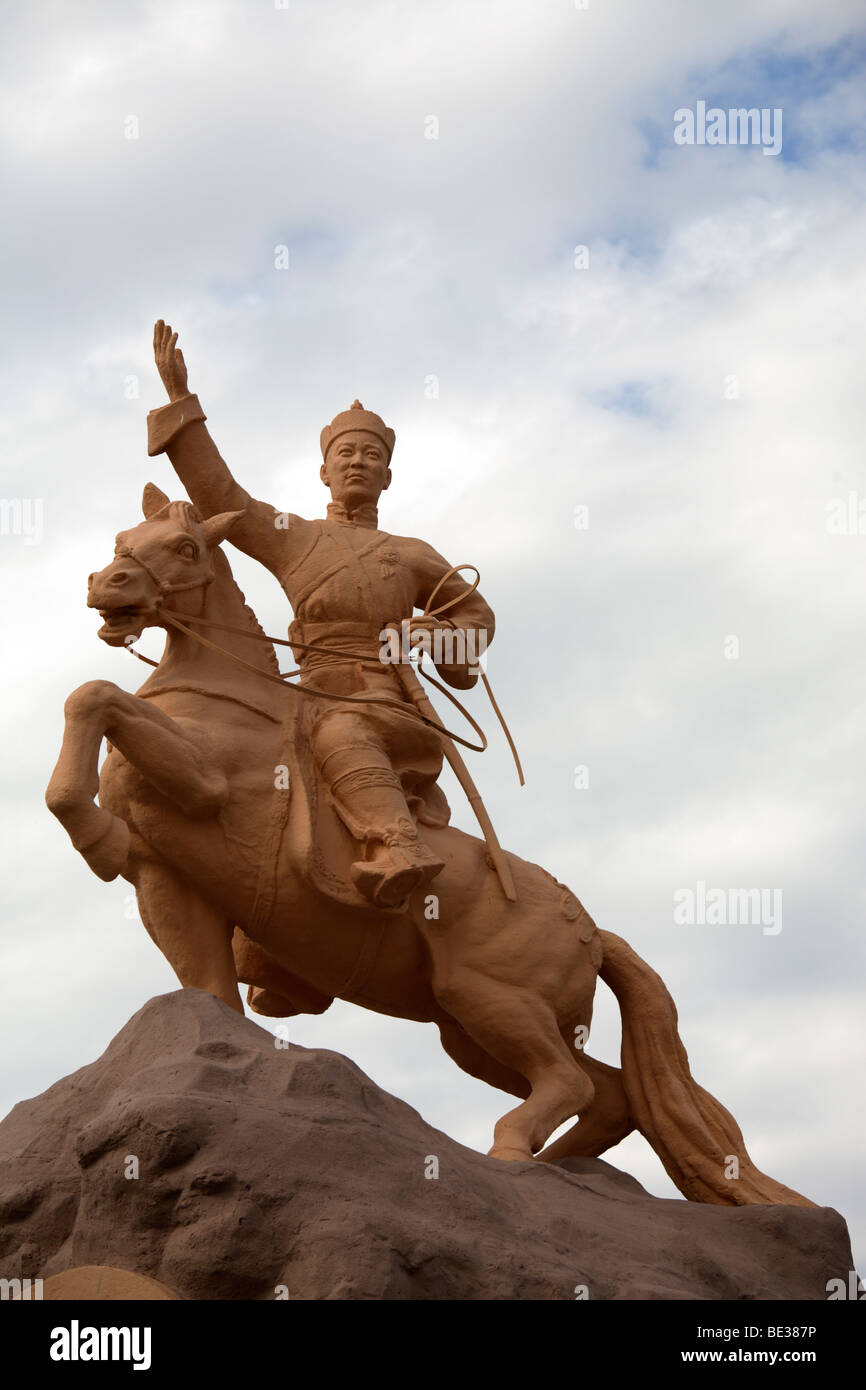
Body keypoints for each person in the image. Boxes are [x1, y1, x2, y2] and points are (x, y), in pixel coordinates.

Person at [148, 321, 494, 910]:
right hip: (304, 697)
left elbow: (477, 621)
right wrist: (183, 405)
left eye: (372, 456)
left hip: (381, 703)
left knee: (343, 730)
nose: (358, 463)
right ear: (324, 471)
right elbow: (224, 500)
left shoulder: (410, 554)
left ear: (387, 474)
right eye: (346, 454)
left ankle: (399, 846)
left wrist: (434, 633)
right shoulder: (294, 539)